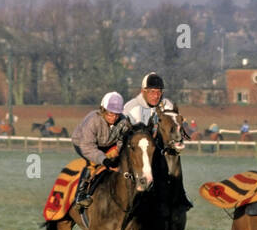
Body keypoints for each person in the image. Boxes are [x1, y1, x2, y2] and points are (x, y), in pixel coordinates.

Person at [123, 73, 193, 210]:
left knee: (174, 156)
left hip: (160, 150)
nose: (156, 95)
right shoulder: (130, 108)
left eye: (159, 92)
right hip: (138, 151)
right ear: (143, 91)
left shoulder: (167, 104)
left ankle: (180, 194)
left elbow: (173, 127)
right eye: (152, 92)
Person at [71, 91, 130, 210]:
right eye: (110, 114)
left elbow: (121, 142)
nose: (113, 118)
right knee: (93, 162)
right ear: (103, 110)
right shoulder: (93, 120)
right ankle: (81, 194)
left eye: (117, 115)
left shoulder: (123, 122)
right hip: (83, 143)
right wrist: (105, 161)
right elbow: (88, 148)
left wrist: (117, 157)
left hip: (106, 143)